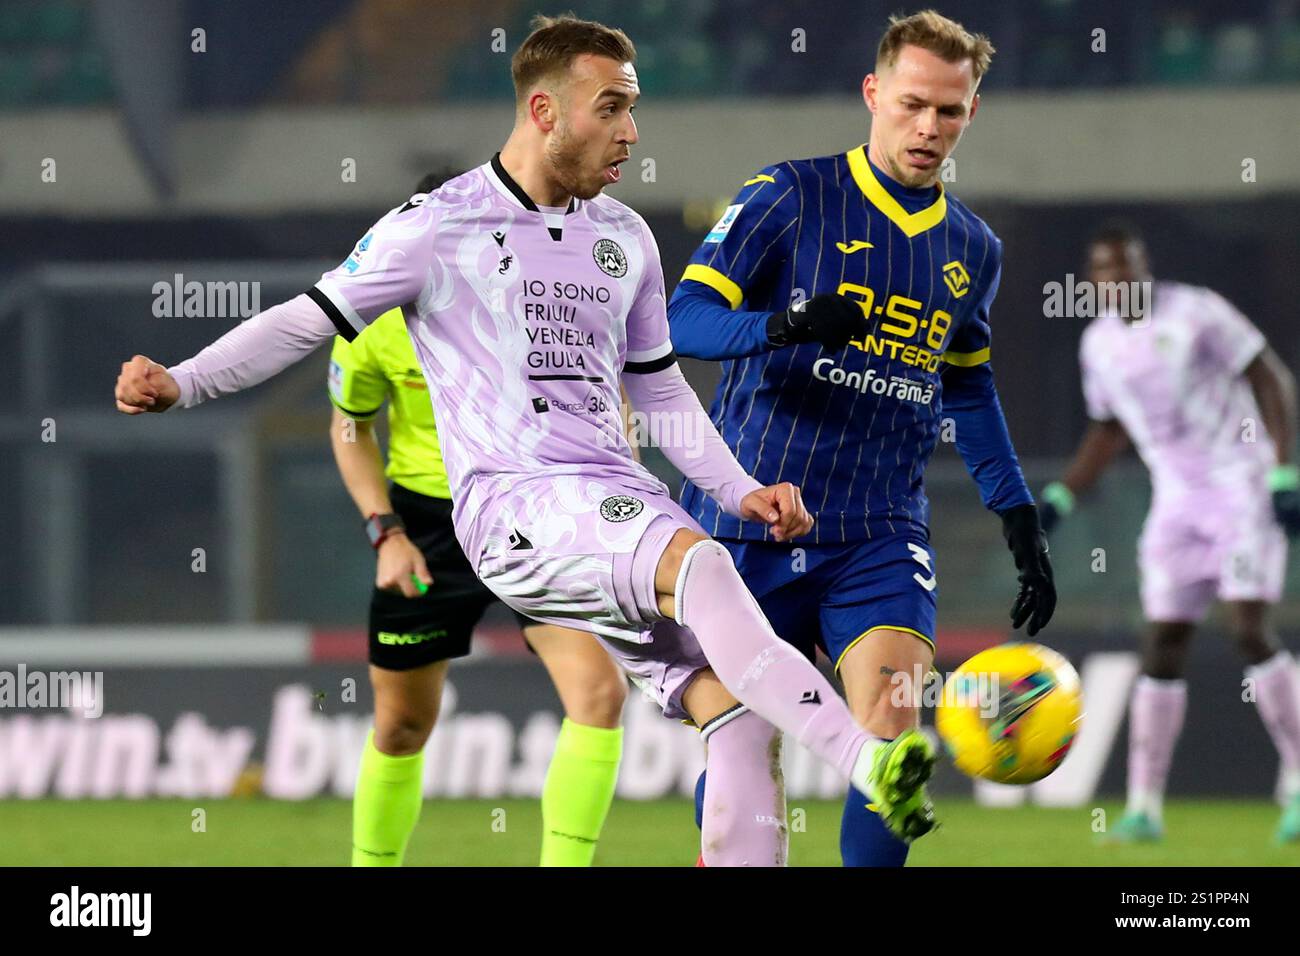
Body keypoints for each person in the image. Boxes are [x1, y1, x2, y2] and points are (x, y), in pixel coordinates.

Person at [115, 14, 936, 866]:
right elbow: (305, 320)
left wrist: (739, 491)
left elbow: (657, 390)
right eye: (611, 108)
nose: (631, 131)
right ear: (544, 111)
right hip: (514, 505)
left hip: (611, 498)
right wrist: (186, 381)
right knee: (704, 567)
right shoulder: (439, 224)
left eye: (633, 107)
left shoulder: (625, 238)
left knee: (728, 713)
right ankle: (868, 761)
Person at [667, 9, 1054, 866]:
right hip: (750, 521)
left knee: (892, 723)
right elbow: (681, 319)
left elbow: (967, 383)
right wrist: (788, 324)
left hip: (879, 530)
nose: (929, 128)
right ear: (873, 93)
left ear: (971, 114)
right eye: (913, 104)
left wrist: (1016, 513)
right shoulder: (789, 194)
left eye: (949, 112)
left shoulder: (972, 247)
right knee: (740, 748)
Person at [329, 171, 628, 867]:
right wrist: (386, 531)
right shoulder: (373, 318)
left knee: (599, 692)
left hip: (536, 508)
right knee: (402, 726)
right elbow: (350, 428)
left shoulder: (547, 299)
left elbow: (608, 399)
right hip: (428, 528)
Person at [1039, 221, 1300, 844]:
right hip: (1176, 501)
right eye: (1105, 270)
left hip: (1240, 483)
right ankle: (1144, 810)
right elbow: (1107, 429)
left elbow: (1272, 378)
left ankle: (1296, 782)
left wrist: (1283, 470)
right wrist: (1058, 498)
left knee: (1247, 628)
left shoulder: (1197, 312)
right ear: (1093, 281)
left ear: (1144, 267)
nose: (1118, 279)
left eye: (1127, 266)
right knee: (1160, 644)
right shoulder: (1098, 344)